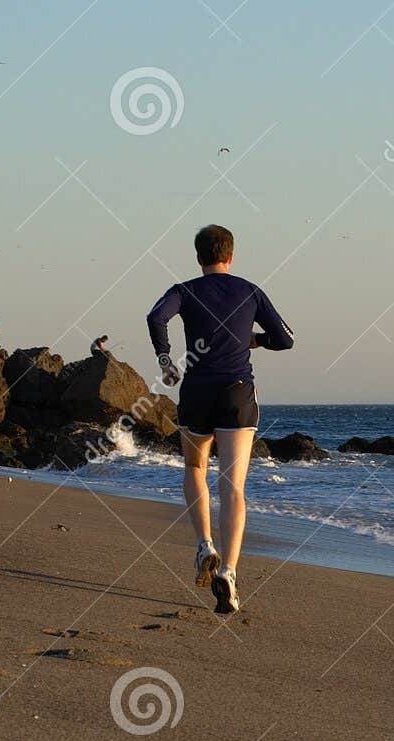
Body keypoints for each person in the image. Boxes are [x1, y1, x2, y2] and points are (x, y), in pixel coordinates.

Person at [147, 225, 293, 614]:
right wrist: (255, 340)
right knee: (234, 487)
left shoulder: (184, 290)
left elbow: (155, 317)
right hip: (238, 393)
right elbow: (286, 339)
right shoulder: (250, 290)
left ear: (199, 257)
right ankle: (228, 572)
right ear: (232, 255)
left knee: (195, 465)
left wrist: (166, 361)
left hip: (196, 391)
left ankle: (203, 546)